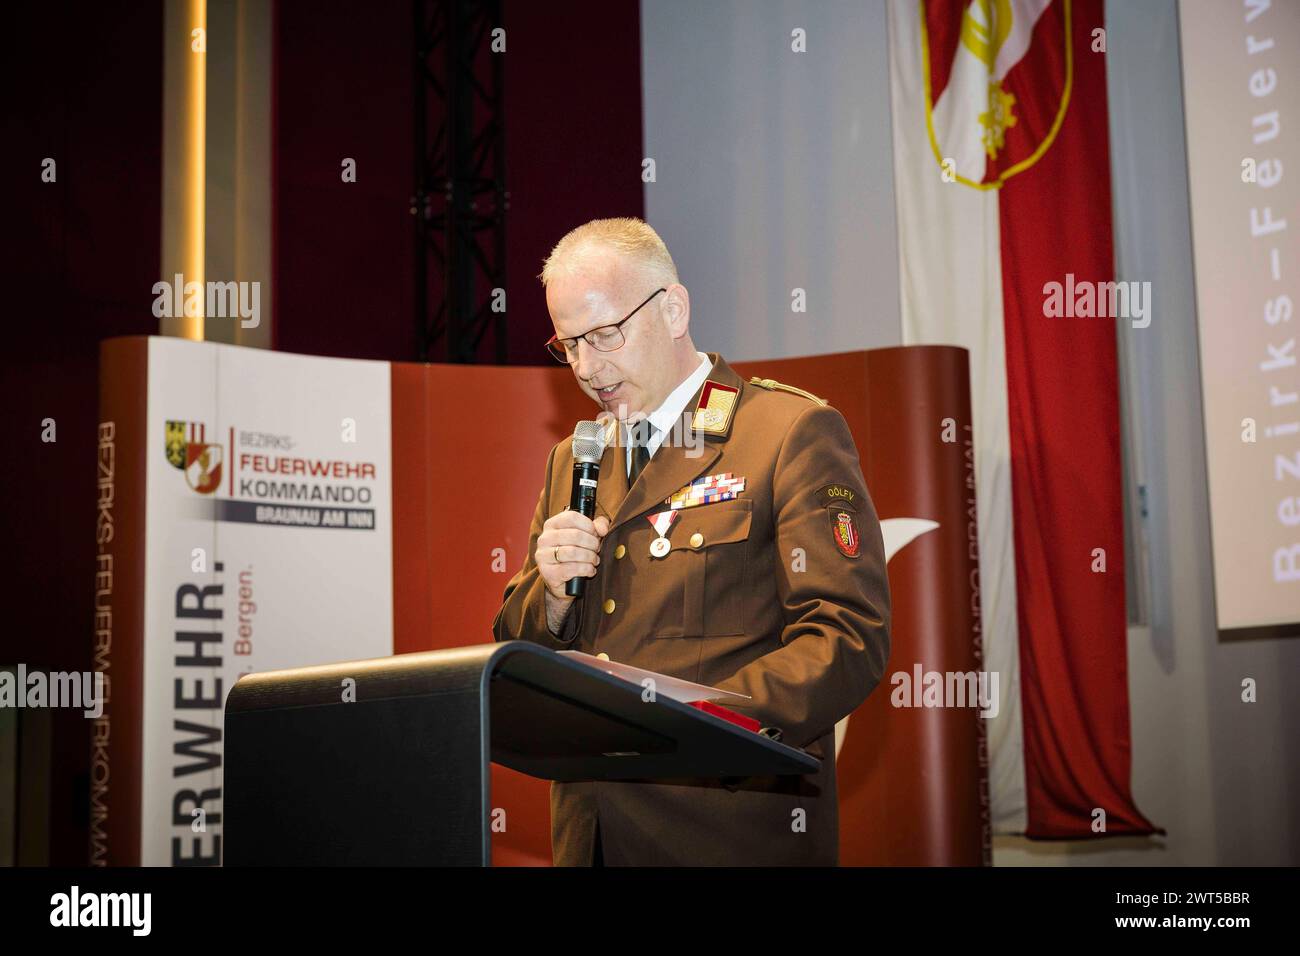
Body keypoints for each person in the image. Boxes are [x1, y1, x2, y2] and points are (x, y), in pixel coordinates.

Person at [492, 217, 891, 865]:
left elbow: (846, 636)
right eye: (569, 345)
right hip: (591, 836)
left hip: (724, 829)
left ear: (673, 309)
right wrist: (554, 600)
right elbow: (519, 644)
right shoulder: (575, 458)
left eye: (605, 335)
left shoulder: (786, 431)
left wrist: (703, 723)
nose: (588, 368)